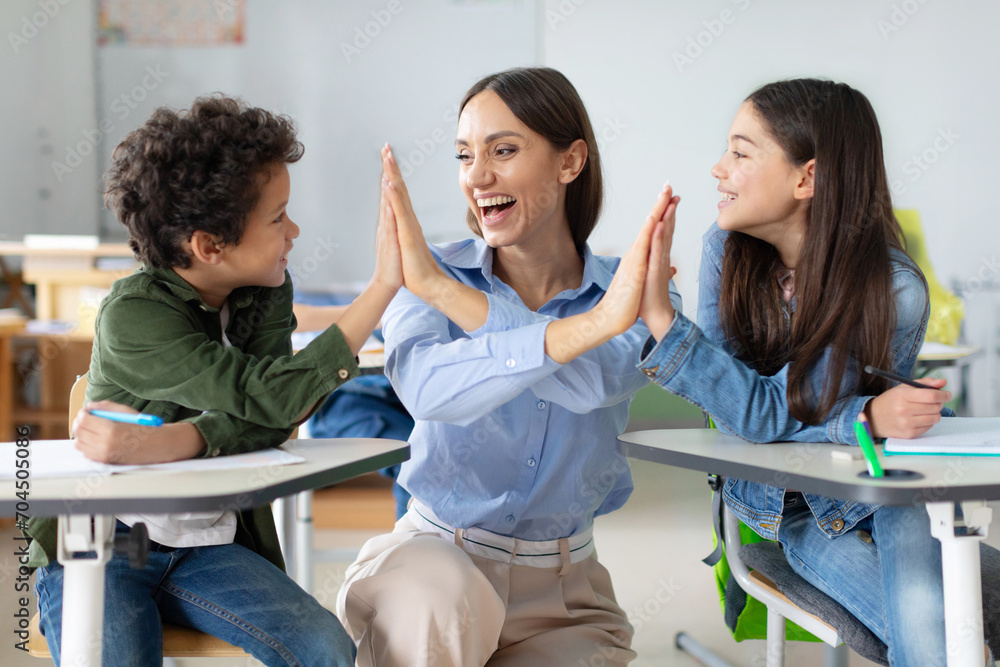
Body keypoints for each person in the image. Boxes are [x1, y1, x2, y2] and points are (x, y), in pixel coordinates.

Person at [23, 94, 404, 666]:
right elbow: (265, 393)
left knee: (325, 647)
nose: (294, 230)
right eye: (277, 218)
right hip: (104, 546)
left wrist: (178, 440)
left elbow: (279, 411)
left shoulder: (266, 292)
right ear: (209, 247)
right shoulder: (134, 316)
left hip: (207, 547)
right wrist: (382, 286)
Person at [632, 78, 999, 666]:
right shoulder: (725, 253)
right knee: (944, 634)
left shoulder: (892, 288)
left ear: (807, 179)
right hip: (793, 508)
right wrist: (865, 415)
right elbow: (739, 415)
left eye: (740, 152)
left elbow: (769, 409)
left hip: (893, 489)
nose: (717, 168)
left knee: (937, 623)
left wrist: (661, 319)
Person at [335, 67, 681, 667]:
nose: (478, 176)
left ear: (570, 162)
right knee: (442, 601)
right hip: (434, 561)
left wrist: (453, 299)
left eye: (504, 150)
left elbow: (596, 381)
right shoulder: (426, 273)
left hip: (567, 590)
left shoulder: (636, 290)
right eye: (465, 155)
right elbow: (426, 390)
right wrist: (438, 289)